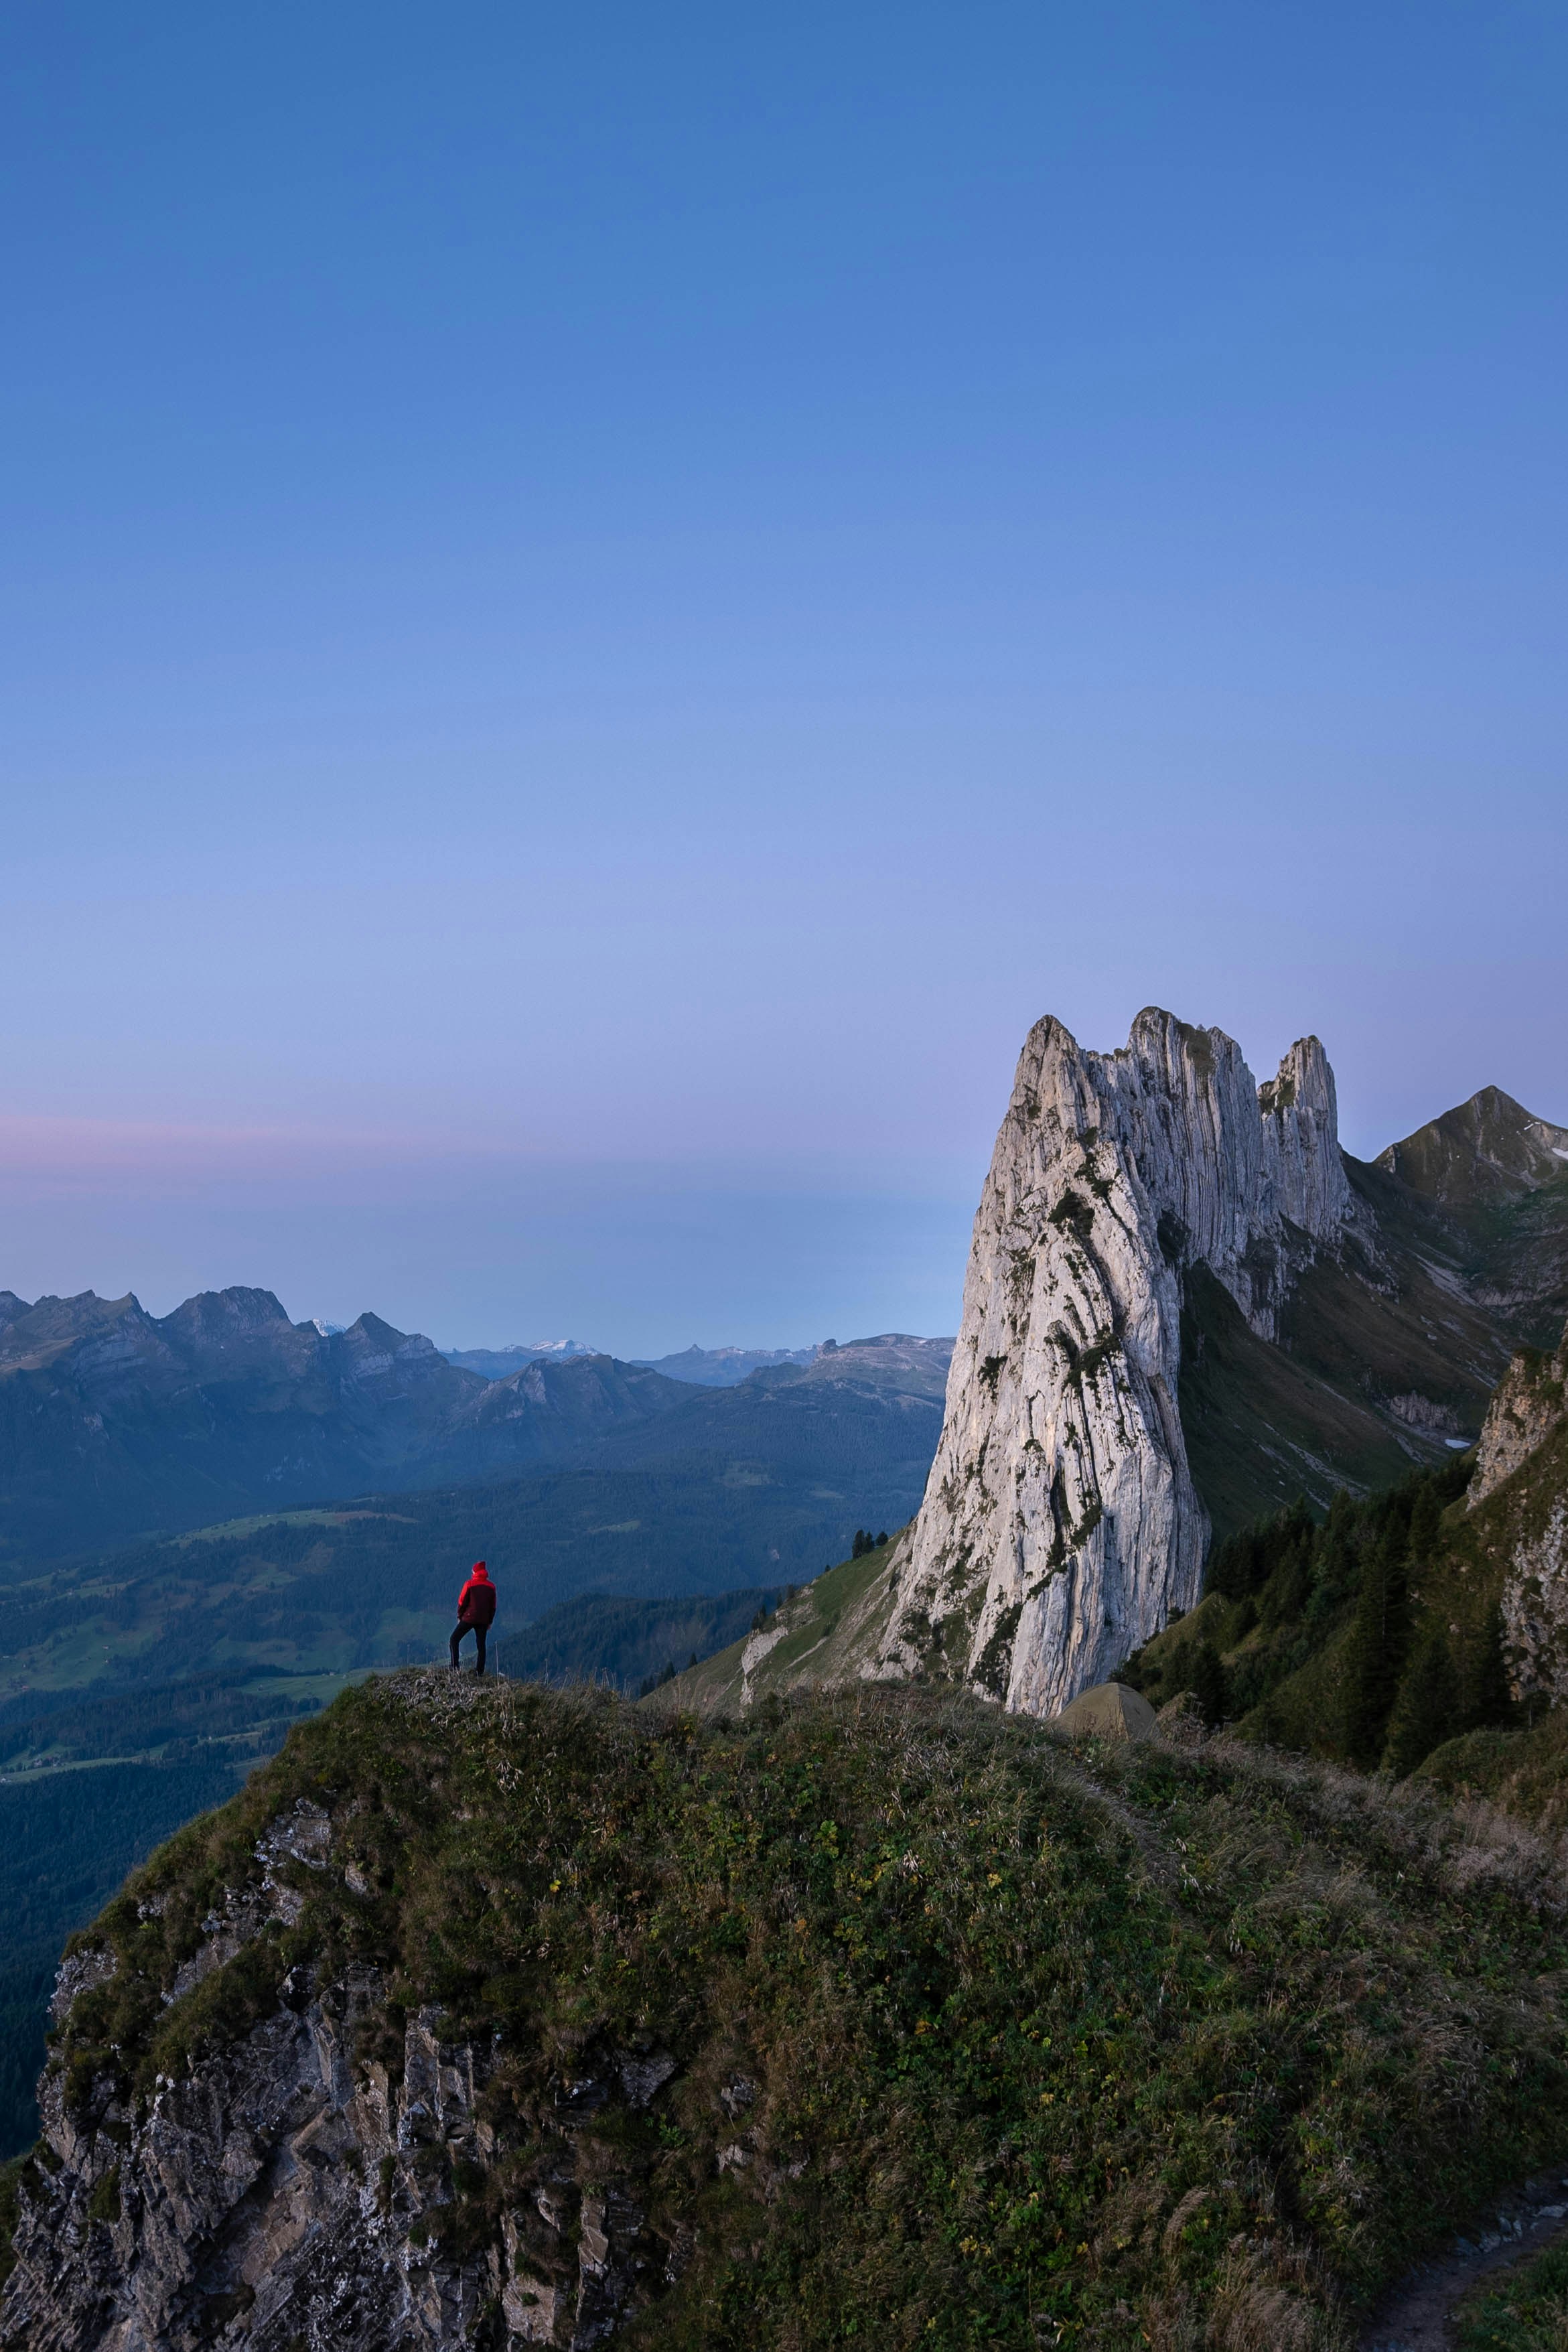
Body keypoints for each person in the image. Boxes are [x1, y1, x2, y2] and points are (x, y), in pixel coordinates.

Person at [450, 1560, 496, 1674]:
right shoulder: (492, 1587)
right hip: (484, 1620)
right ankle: (479, 1672)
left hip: (469, 1617)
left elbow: (462, 1602)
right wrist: (489, 1621)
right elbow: (493, 1607)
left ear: (475, 1571)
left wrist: (460, 1616)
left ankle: (454, 1668)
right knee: (481, 1646)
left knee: (454, 1639)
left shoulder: (469, 1584)